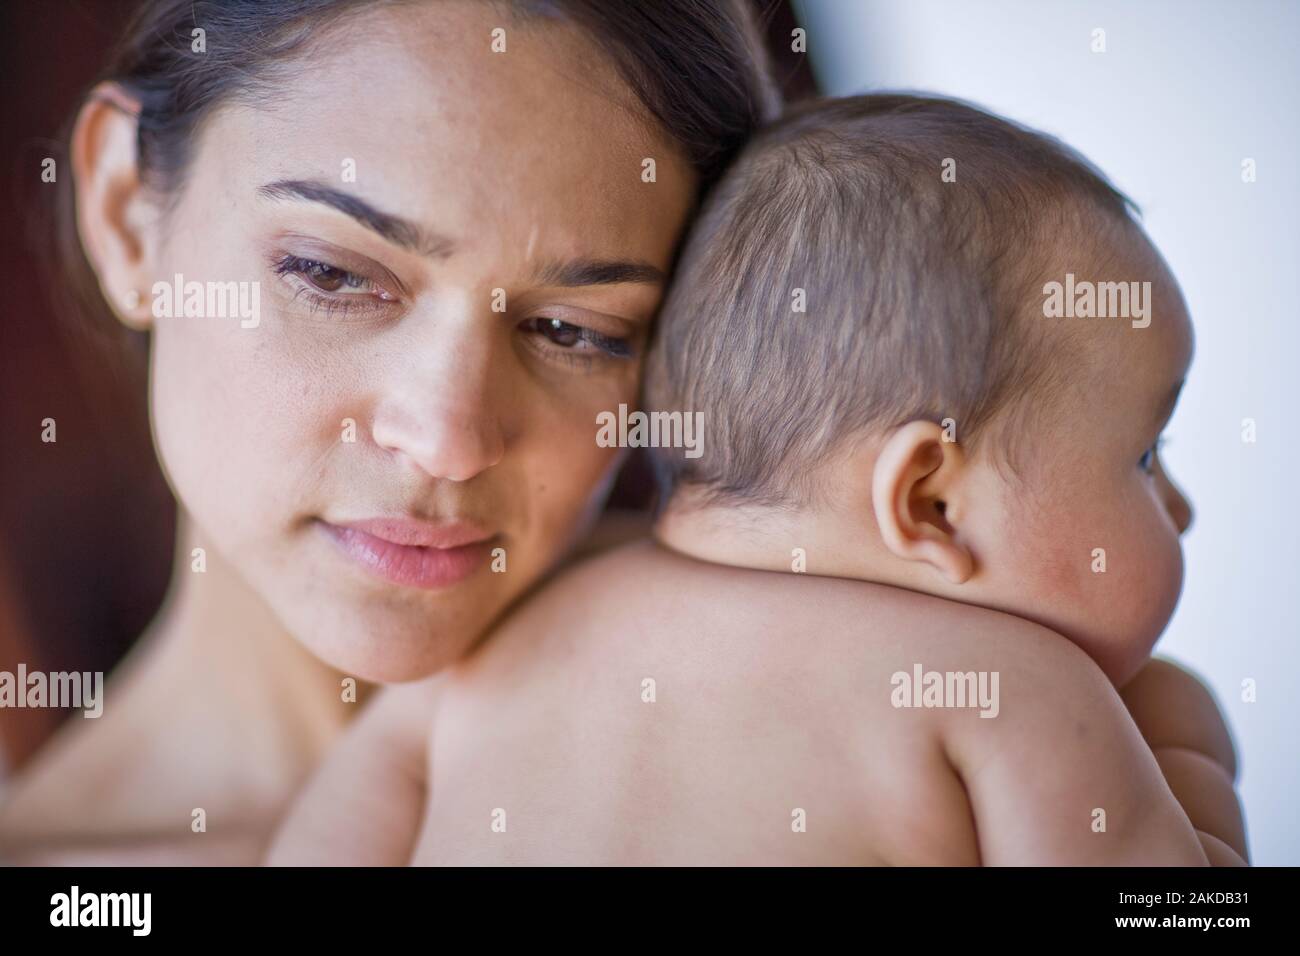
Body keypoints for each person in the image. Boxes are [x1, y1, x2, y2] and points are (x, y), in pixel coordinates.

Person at [268, 94, 1247, 865]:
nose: (1181, 508)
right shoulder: (1023, 696)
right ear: (928, 500)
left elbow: (330, 844)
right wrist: (1186, 770)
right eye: (1145, 454)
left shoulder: (524, 619)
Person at [0, 0, 778, 864]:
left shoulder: (823, 723)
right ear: (125, 215)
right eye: (331, 275)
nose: (447, 439)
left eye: (573, 331)